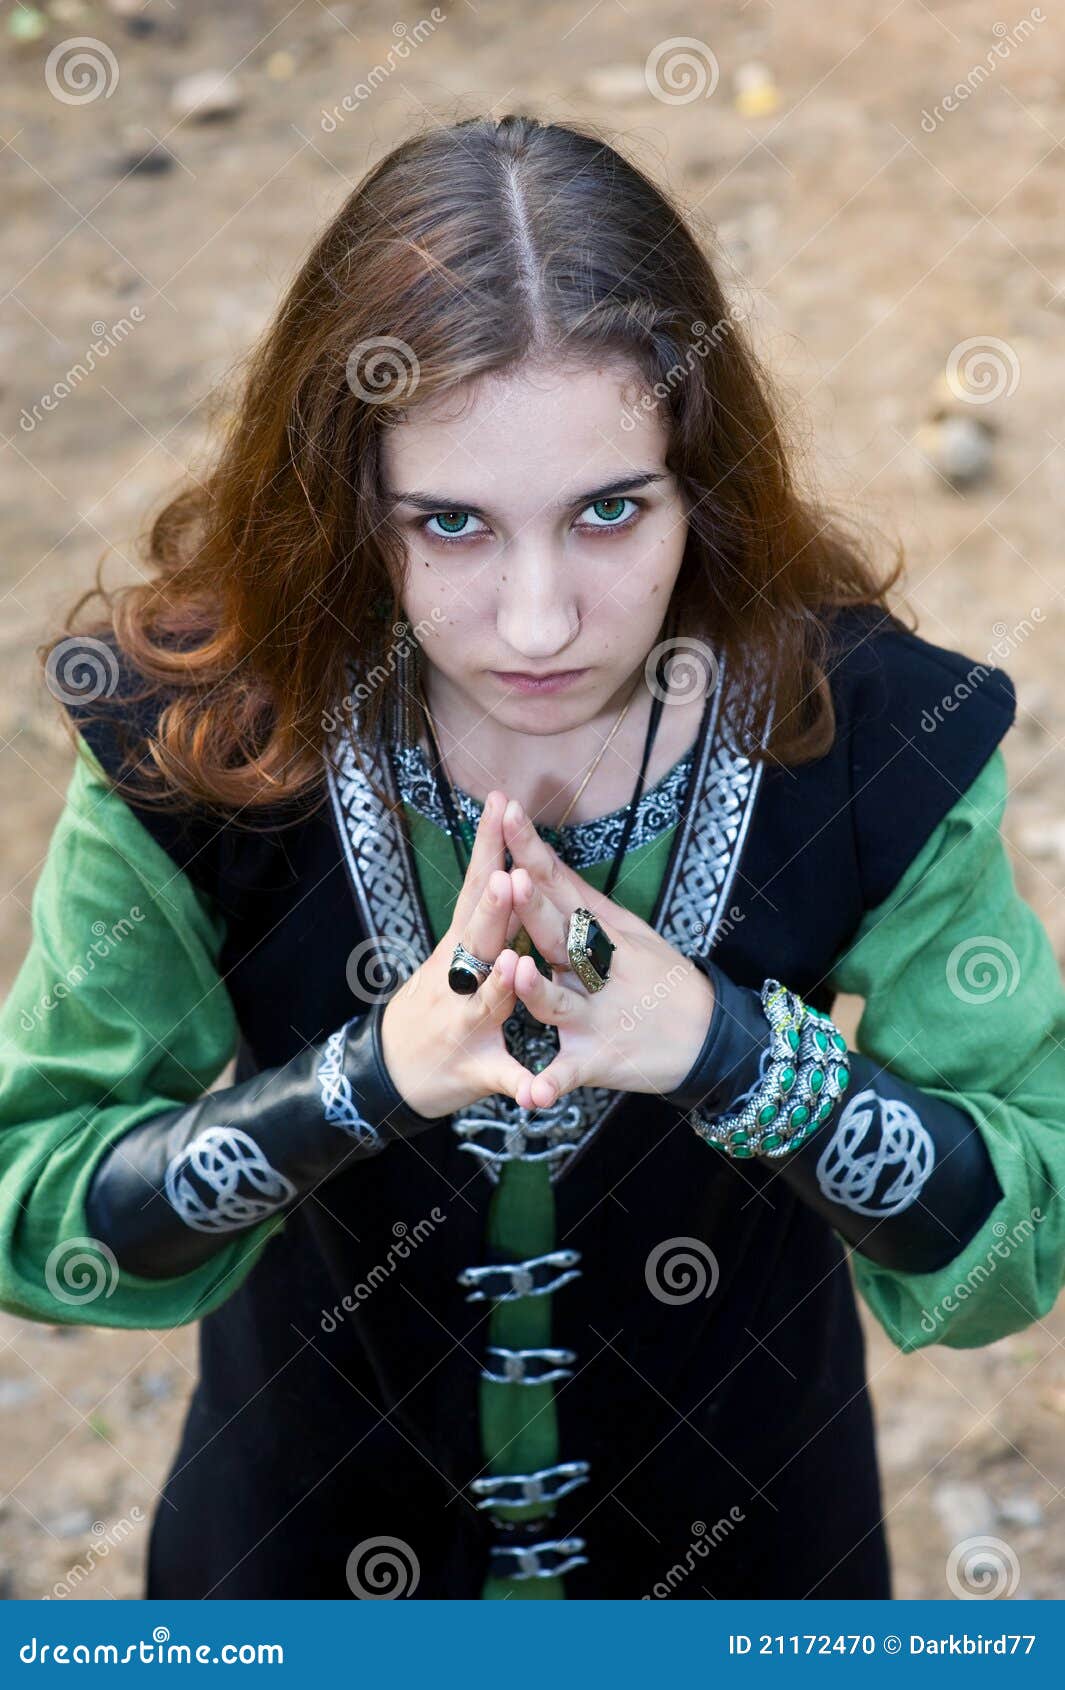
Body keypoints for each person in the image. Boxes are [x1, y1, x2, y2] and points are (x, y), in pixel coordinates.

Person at [2, 112, 1064, 1602]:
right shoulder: (198, 744)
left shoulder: (873, 734)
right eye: (448, 522)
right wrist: (359, 1081)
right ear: (342, 503)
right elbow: (36, 1198)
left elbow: (1021, 1219)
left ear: (705, 481)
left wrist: (723, 1046)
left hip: (749, 1575)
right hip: (300, 1574)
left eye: (609, 510)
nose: (538, 621)